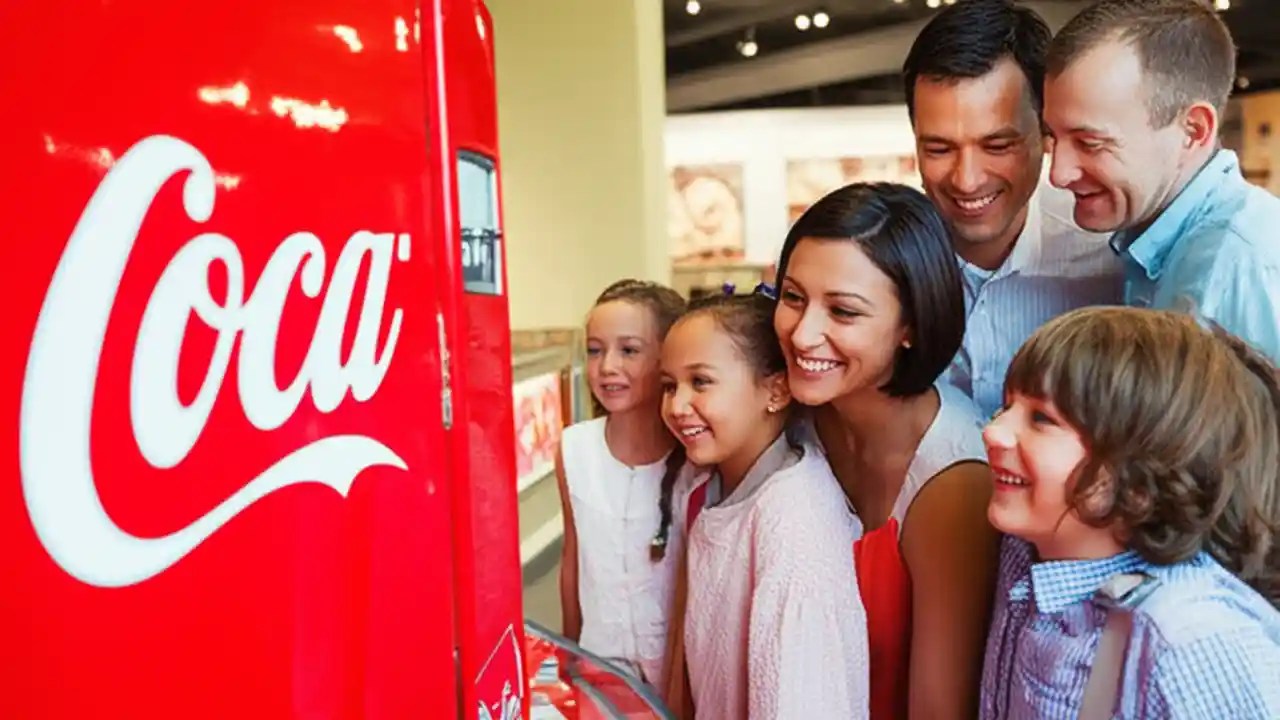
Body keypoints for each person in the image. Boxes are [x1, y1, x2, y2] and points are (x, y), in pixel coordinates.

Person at [980, 307, 1280, 718]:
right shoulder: (1024, 556)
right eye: (1006, 406)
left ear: (1140, 481)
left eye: (1042, 419)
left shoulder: (1190, 643)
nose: (992, 431)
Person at [772, 182, 998, 719]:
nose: (804, 334)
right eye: (792, 298)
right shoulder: (788, 413)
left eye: (843, 312)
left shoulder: (953, 479)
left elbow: (939, 710)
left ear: (911, 326)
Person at [902, 0, 1124, 419]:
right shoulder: (884, 265)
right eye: (938, 148)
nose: (967, 179)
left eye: (998, 146)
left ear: (1046, 133)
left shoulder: (1111, 260)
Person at [661, 291, 868, 719]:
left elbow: (801, 700)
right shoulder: (703, 485)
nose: (677, 406)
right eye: (669, 385)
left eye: (700, 381)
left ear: (774, 390)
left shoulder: (795, 519)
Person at [1044, 0, 1280, 362]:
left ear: (1192, 131)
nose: (1058, 174)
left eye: (1090, 143)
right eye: (1052, 137)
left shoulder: (1238, 269)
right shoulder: (1152, 242)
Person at [555, 279, 689, 688]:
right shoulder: (573, 447)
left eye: (628, 350)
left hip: (678, 676)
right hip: (600, 671)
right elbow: (573, 556)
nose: (607, 366)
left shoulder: (696, 456)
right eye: (595, 350)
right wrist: (570, 653)